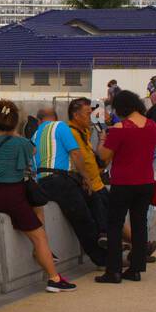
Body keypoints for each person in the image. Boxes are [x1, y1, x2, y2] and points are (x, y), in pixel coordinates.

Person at [0, 100, 75, 292]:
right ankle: (54, 278)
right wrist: (16, 134)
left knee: (36, 209)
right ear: (16, 123)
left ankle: (42, 254)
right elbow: (33, 154)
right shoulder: (22, 143)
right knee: (39, 236)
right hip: (14, 195)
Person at [67, 98, 155, 259]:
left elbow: (98, 157)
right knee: (114, 223)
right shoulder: (70, 133)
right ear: (76, 115)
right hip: (91, 183)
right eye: (88, 113)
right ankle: (132, 253)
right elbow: (97, 156)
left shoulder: (86, 131)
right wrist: (102, 139)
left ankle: (139, 249)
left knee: (117, 220)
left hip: (99, 182)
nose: (91, 116)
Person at [94, 90, 156, 283]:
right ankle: (136, 269)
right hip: (146, 182)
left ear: (121, 108)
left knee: (114, 226)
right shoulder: (151, 125)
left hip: (123, 183)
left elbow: (105, 157)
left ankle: (113, 271)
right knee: (140, 225)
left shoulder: (120, 127)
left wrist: (103, 139)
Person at [32, 107, 109, 268]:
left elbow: (32, 165)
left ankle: (104, 234)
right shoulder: (60, 126)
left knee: (92, 199)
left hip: (44, 182)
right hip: (60, 179)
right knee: (83, 218)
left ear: (39, 121)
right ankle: (103, 258)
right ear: (55, 117)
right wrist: (86, 177)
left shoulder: (34, 134)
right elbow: (75, 153)